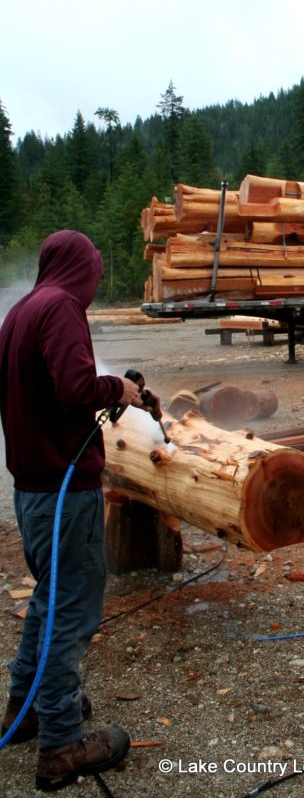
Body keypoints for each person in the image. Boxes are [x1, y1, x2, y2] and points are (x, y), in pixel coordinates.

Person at [0, 230, 149, 791]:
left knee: (47, 596)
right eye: (93, 270)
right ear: (81, 269)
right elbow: (73, 387)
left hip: (32, 489)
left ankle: (25, 707)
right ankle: (61, 743)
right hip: (65, 492)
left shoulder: (20, 311)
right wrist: (119, 389)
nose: (93, 282)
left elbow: (40, 394)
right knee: (70, 610)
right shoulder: (61, 308)